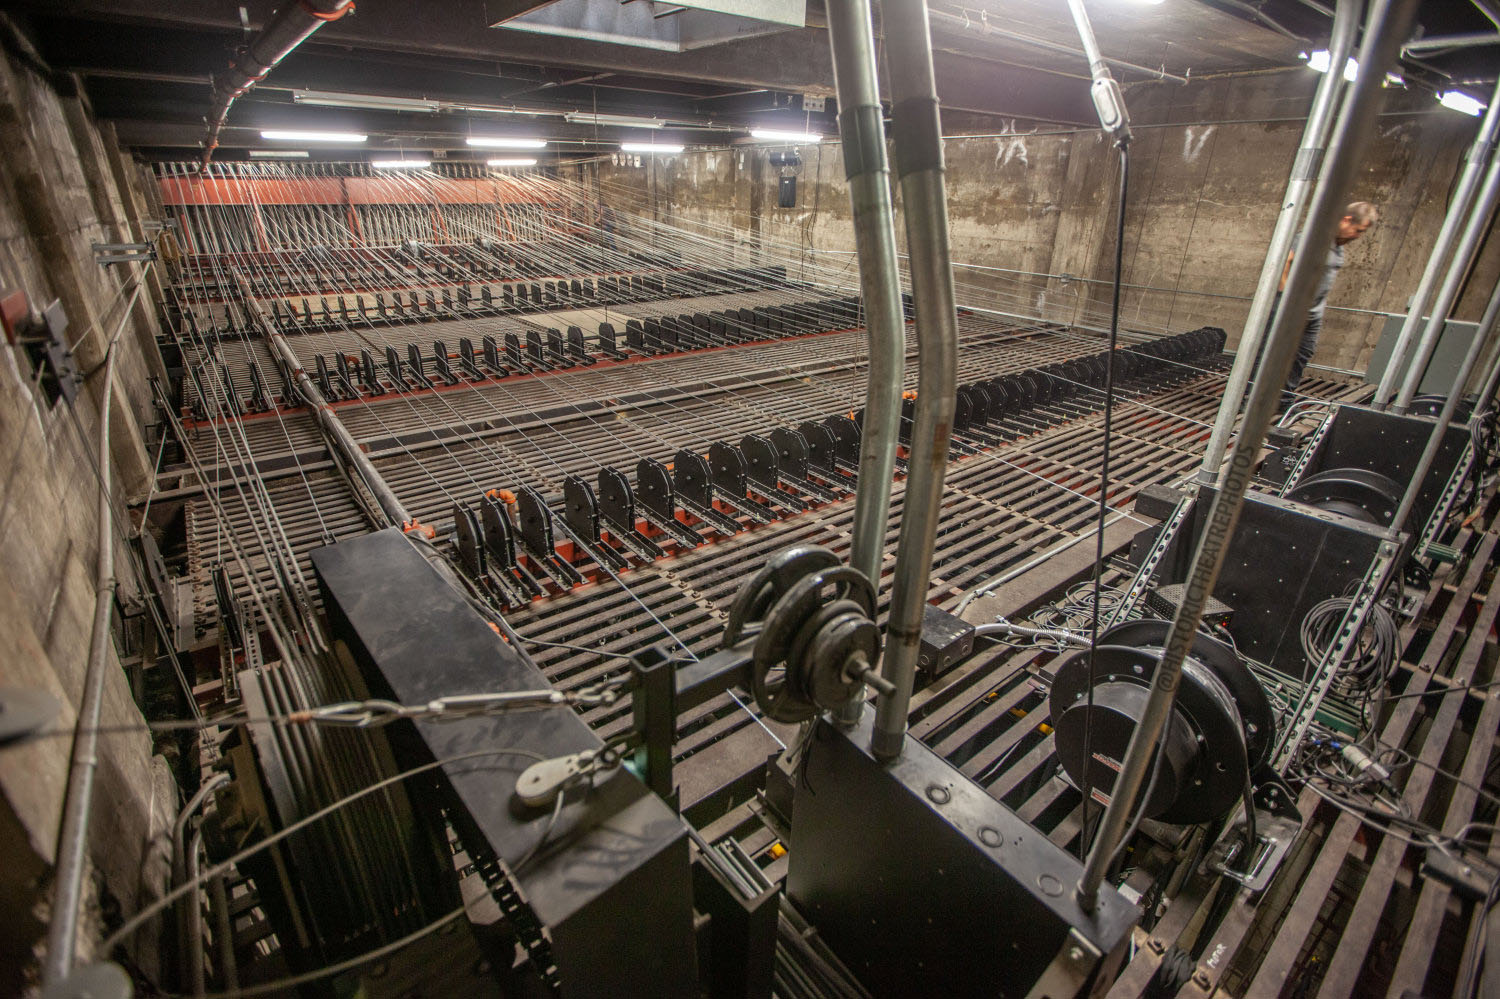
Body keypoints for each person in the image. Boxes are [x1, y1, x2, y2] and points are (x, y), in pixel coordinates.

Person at [1273, 201, 1378, 410]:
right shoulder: (1314, 237)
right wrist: (1285, 297)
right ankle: (1247, 401)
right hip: (1291, 310)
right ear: (1347, 220)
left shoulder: (1338, 245)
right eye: (1358, 230)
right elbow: (1283, 261)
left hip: (1313, 313)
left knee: (1301, 356)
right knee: (1271, 355)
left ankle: (1282, 404)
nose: (1357, 236)